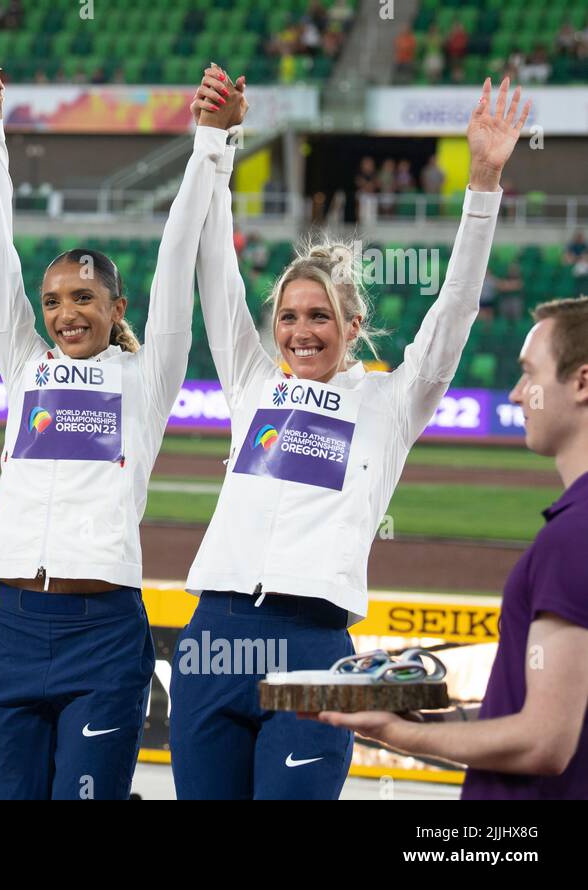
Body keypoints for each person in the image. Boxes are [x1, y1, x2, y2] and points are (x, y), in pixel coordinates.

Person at [170, 77, 528, 800]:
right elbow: (216, 272)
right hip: (214, 636)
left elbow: (455, 309)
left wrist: (483, 186)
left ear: (353, 327)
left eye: (320, 317)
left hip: (312, 642)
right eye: (289, 317)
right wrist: (220, 145)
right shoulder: (252, 382)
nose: (301, 331)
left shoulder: (391, 402)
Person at [0, 65, 243, 799]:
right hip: (11, 627)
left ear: (118, 309)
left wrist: (209, 146)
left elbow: (177, 257)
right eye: (53, 300)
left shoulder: (148, 378)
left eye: (84, 297)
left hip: (104, 632)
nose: (65, 314)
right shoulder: (24, 364)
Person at [317, 297, 588, 799]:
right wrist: (423, 722)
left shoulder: (572, 535)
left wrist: (396, 734)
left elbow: (545, 742)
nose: (515, 393)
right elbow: (543, 713)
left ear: (582, 382)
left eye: (529, 374)